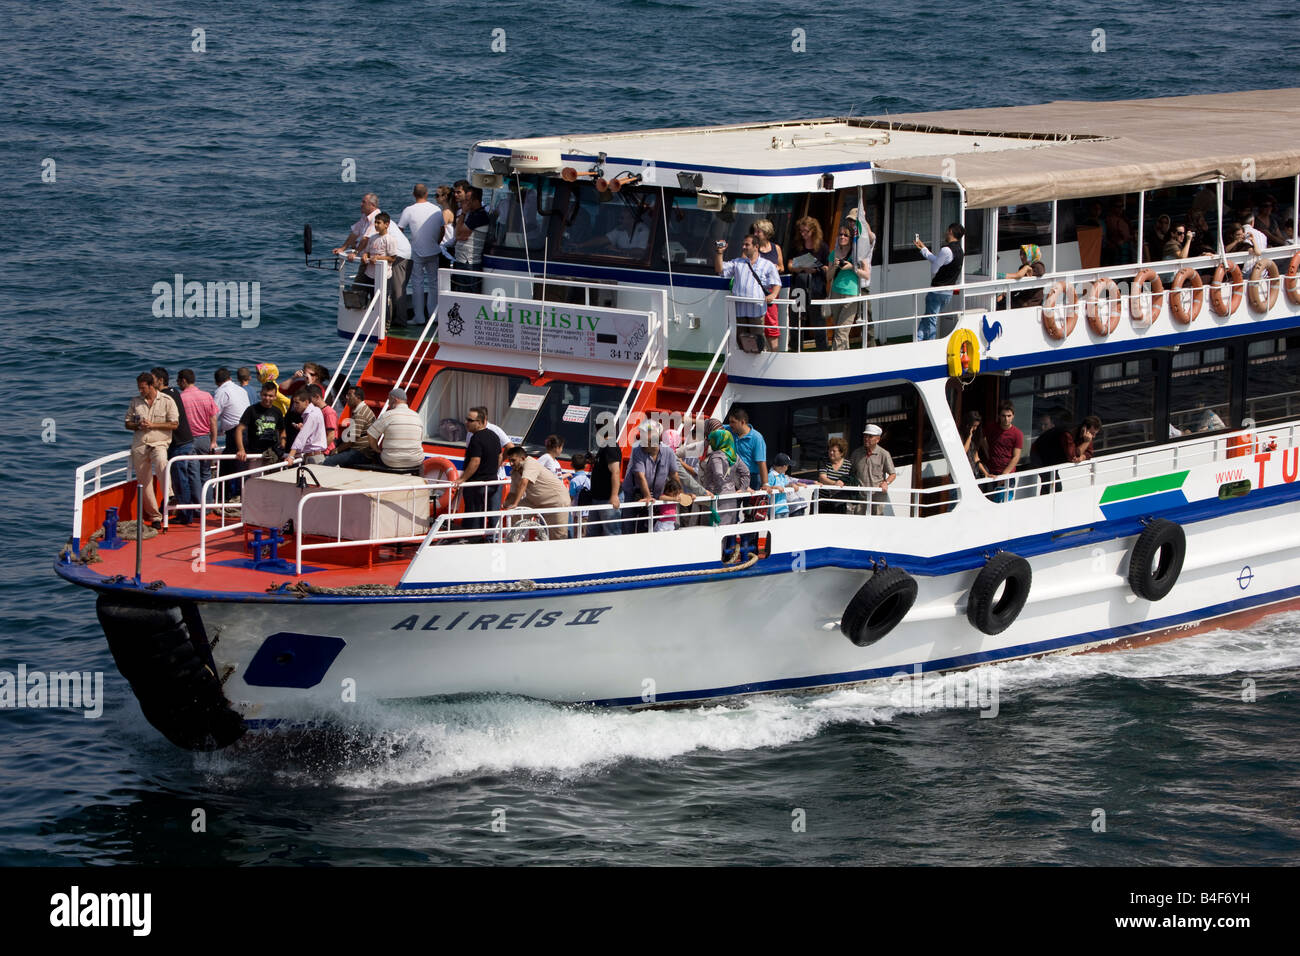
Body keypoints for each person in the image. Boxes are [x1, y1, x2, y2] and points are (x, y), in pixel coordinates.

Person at [123, 372, 179, 528]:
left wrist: (153, 426)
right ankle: (155, 517)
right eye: (139, 388)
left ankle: (169, 494)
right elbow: (127, 423)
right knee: (144, 481)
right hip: (140, 444)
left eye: (143, 388)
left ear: (151, 386)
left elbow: (174, 424)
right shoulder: (135, 402)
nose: (140, 391)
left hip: (159, 442)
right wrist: (138, 425)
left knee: (161, 461)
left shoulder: (167, 401)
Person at [714, 233, 780, 352]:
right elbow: (720, 270)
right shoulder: (737, 262)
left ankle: (759, 365)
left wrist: (773, 294)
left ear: (756, 247)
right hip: (740, 310)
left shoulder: (767, 265)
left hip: (757, 311)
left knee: (758, 341)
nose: (743, 247)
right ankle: (744, 366)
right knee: (741, 340)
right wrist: (720, 253)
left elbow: (777, 283)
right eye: (743, 244)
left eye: (747, 244)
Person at [150, 367, 196, 523]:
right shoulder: (175, 392)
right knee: (184, 478)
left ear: (160, 380)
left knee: (180, 480)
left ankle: (185, 515)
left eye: (152, 380)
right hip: (185, 441)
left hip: (179, 443)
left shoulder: (165, 397)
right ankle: (186, 511)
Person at [621, 421, 680, 533]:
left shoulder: (668, 452)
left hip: (656, 494)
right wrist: (648, 496)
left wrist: (680, 492)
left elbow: (674, 474)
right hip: (634, 492)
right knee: (629, 527)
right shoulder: (638, 450)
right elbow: (640, 475)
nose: (642, 442)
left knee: (652, 527)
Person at [501, 447, 571, 540]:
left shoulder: (530, 463)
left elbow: (524, 482)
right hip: (535, 500)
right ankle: (514, 542)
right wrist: (504, 505)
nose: (511, 464)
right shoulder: (514, 472)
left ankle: (560, 553)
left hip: (556, 501)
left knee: (558, 536)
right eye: (509, 461)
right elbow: (512, 493)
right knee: (515, 514)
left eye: (513, 460)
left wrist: (515, 504)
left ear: (522, 458)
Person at [398, 183, 443, 325]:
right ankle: (434, 316)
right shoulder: (436, 209)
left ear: (413, 194)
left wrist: (406, 245)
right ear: (426, 194)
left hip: (416, 250)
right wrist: (436, 241)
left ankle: (419, 317)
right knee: (434, 283)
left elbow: (400, 230)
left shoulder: (409, 210)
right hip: (434, 249)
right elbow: (442, 229)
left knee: (417, 284)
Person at [453, 409, 503, 534]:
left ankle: (473, 540)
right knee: (489, 513)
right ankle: (490, 538)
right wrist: (491, 471)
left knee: (474, 515)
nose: (466, 422)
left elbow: (475, 461)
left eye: (470, 420)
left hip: (477, 484)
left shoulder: (476, 439)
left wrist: (462, 479)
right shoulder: (494, 436)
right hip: (492, 482)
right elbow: (500, 456)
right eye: (467, 419)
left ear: (480, 422)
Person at [914, 223, 965, 341]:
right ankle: (918, 339)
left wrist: (927, 252)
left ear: (951, 232)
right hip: (948, 293)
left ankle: (929, 344)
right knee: (927, 318)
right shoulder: (960, 251)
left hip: (937, 291)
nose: (946, 233)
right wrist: (924, 249)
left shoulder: (946, 250)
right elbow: (938, 261)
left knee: (931, 320)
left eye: (947, 231)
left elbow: (934, 269)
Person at [361, 213, 412, 329]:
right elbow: (368, 251)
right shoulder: (373, 238)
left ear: (386, 224)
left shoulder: (390, 240)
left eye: (379, 223)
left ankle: (385, 324)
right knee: (373, 297)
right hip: (371, 274)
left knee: (384, 300)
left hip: (384, 275)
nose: (376, 225)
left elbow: (393, 258)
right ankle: (375, 321)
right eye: (375, 222)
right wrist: (365, 255)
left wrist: (379, 258)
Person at [786, 216, 829, 351]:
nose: (803, 234)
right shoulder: (796, 245)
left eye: (806, 231)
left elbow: (827, 268)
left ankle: (822, 350)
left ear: (813, 231)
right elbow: (790, 265)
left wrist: (817, 269)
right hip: (799, 286)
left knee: (817, 320)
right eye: (801, 231)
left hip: (816, 287)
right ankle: (796, 349)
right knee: (796, 318)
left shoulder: (822, 247)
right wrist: (803, 268)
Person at [825, 222, 871, 350]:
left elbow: (867, 275)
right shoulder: (834, 253)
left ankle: (834, 359)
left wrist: (852, 267)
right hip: (835, 293)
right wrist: (834, 266)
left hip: (851, 295)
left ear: (851, 238)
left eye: (846, 235)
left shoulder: (858, 254)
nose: (842, 237)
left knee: (841, 332)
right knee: (838, 329)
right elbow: (828, 277)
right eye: (840, 234)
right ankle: (846, 358)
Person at [364, 387, 424, 473]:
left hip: (392, 461)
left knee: (370, 455)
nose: (388, 403)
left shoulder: (388, 415)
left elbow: (370, 434)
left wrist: (376, 449)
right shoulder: (417, 416)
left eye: (389, 400)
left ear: (394, 399)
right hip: (416, 460)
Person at [177, 368, 220, 486]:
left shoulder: (180, 398)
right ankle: (208, 502)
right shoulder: (206, 395)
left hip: (188, 440)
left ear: (184, 381)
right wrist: (214, 440)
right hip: (205, 439)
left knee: (193, 473)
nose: (177, 383)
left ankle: (197, 502)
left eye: (178, 381)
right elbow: (213, 419)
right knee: (206, 473)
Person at [699, 428, 749, 527]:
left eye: (712, 440)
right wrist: (742, 488)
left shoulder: (716, 456)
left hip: (716, 500)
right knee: (725, 531)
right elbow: (746, 473)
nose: (710, 443)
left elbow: (718, 475)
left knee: (711, 531)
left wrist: (716, 491)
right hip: (731, 497)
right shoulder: (734, 456)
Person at [324, 384, 378, 466]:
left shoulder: (360, 414)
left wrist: (337, 450)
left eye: (350, 395)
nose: (347, 397)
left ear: (358, 398)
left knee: (328, 462)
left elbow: (351, 440)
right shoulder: (362, 409)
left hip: (362, 452)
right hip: (360, 449)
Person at [234, 381, 286, 466]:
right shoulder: (251, 410)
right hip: (255, 454)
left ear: (275, 396)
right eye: (265, 395)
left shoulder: (277, 412)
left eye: (270, 396)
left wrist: (282, 445)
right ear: (261, 394)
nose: (267, 398)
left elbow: (282, 430)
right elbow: (239, 430)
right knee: (255, 478)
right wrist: (241, 450)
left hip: (273, 453)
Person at [213, 367, 250, 482]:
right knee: (242, 463)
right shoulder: (241, 390)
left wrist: (213, 438)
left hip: (235, 432)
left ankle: (231, 494)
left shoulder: (221, 392)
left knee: (232, 464)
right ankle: (237, 492)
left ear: (216, 382)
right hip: (248, 430)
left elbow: (214, 416)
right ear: (230, 378)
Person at [849, 424, 896, 515]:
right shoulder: (856, 453)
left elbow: (892, 474)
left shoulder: (884, 454)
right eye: (865, 436)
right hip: (860, 494)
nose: (866, 439)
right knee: (858, 519)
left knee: (877, 521)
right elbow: (850, 472)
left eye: (870, 436)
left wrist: (886, 483)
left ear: (877, 439)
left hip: (877, 495)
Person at [983, 401, 1024, 503]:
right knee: (990, 502)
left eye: (1009, 416)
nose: (1006, 419)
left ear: (1013, 416)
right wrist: (988, 453)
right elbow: (981, 438)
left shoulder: (1017, 434)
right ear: (999, 416)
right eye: (1003, 416)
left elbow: (1016, 456)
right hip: (991, 473)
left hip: (1008, 475)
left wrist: (1005, 473)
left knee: (1004, 502)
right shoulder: (991, 428)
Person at [452, 186, 490, 293]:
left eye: (468, 200)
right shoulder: (473, 215)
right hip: (464, 260)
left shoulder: (478, 216)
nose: (465, 203)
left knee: (467, 293)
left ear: (476, 200)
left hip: (468, 262)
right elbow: (459, 235)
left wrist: (463, 213)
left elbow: (458, 234)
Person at [334, 193, 381, 277]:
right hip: (369, 256)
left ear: (372, 205)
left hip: (392, 257)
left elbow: (366, 238)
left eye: (364, 202)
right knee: (361, 285)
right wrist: (342, 248)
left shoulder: (377, 218)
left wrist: (355, 253)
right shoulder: (365, 217)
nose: (361, 204)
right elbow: (355, 233)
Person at [586, 439, 623, 537]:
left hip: (607, 498)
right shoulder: (604, 446)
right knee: (592, 533)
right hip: (597, 498)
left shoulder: (611, 446)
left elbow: (615, 471)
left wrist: (614, 496)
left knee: (611, 533)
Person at [726, 407, 767, 490]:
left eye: (733, 422)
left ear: (742, 422)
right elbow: (712, 426)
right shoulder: (729, 430)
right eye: (729, 422)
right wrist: (693, 421)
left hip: (752, 478)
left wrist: (765, 484)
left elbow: (761, 462)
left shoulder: (757, 438)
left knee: (750, 503)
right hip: (734, 476)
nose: (730, 424)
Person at [284, 390, 327, 466]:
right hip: (316, 456)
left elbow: (301, 437)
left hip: (313, 458)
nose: (294, 406)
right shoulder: (316, 410)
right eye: (294, 403)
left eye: (297, 403)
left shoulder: (311, 415)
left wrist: (291, 456)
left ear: (306, 402)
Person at [999, 244, 1047, 308]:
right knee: (1001, 302)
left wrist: (1028, 270)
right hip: (1022, 299)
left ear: (1031, 255)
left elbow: (1041, 271)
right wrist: (1004, 295)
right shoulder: (1023, 267)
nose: (1021, 256)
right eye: (1020, 254)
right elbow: (1016, 285)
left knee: (1002, 306)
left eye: (1024, 254)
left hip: (1031, 302)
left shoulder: (1038, 266)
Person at [816, 437, 853, 515]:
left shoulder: (848, 465)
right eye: (830, 450)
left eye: (834, 451)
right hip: (822, 501)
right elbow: (822, 478)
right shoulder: (824, 461)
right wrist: (835, 484)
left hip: (839, 503)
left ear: (842, 453)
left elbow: (850, 480)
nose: (831, 452)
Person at [960, 410, 991, 485]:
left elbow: (976, 458)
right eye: (973, 426)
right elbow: (963, 452)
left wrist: (986, 473)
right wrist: (969, 437)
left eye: (977, 426)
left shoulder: (974, 438)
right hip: (962, 474)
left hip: (973, 473)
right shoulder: (960, 436)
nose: (975, 429)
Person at [762, 452, 796, 518]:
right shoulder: (771, 475)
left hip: (784, 508)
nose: (788, 468)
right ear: (783, 466)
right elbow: (766, 488)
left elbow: (786, 484)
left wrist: (792, 485)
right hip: (775, 510)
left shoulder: (782, 476)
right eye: (787, 466)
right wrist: (775, 487)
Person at [307, 384, 337, 454]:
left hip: (325, 453)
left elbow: (331, 435)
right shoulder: (316, 411)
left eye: (309, 400)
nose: (307, 403)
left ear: (317, 397)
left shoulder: (328, 412)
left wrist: (320, 450)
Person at [567, 451, 591, 538]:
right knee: (585, 534)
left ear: (572, 465)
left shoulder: (573, 481)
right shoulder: (588, 480)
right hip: (588, 513)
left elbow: (571, 497)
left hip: (577, 514)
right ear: (586, 465)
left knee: (578, 535)